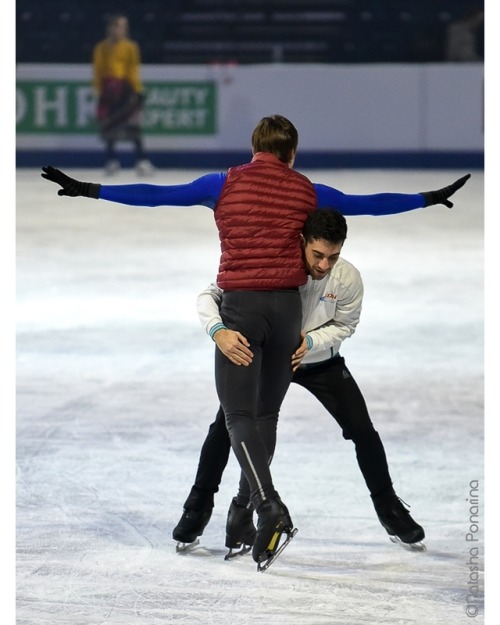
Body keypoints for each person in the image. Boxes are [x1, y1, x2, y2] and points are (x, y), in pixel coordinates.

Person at [41, 114, 469, 566]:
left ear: (253, 149)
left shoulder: (223, 183)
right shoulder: (307, 193)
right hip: (284, 317)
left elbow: (157, 196)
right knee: (247, 420)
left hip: (261, 320)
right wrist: (426, 198)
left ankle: (255, 508)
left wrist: (90, 188)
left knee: (237, 418)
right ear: (292, 154)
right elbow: (368, 203)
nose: (324, 262)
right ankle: (220, 512)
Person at [173, 209, 425, 559]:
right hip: (264, 362)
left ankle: (389, 508)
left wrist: (311, 342)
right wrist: (218, 330)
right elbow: (211, 294)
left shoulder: (347, 278)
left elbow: (345, 325)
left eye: (333, 257)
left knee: (362, 429)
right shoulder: (270, 262)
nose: (324, 265)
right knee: (226, 428)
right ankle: (197, 509)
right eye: (317, 255)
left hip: (320, 363)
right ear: (302, 242)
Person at [93, 14, 154, 175]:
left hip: (126, 90)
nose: (122, 30)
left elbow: (133, 69)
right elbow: (98, 71)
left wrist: (137, 90)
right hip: (108, 91)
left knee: (133, 126)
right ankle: (111, 160)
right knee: (110, 125)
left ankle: (142, 160)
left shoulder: (130, 47)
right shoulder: (101, 48)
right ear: (111, 28)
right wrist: (100, 92)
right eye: (119, 26)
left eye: (124, 27)